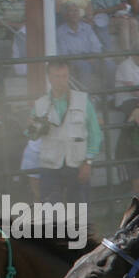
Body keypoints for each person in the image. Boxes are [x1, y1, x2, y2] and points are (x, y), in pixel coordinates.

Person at [31, 60, 102, 203]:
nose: (61, 80)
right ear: (49, 78)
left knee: (80, 215)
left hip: (77, 164)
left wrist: (88, 162)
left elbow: (95, 133)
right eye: (57, 76)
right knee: (50, 215)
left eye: (64, 76)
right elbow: (31, 135)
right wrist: (32, 127)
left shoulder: (83, 100)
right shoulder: (39, 104)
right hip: (50, 165)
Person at [56, 3, 106, 90]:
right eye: (71, 11)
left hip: (92, 58)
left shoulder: (87, 27)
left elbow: (97, 46)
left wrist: (92, 57)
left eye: (76, 11)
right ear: (65, 15)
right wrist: (85, 59)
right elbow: (64, 54)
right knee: (84, 66)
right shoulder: (60, 32)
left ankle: (109, 96)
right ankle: (84, 96)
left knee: (109, 65)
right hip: (74, 61)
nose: (75, 14)